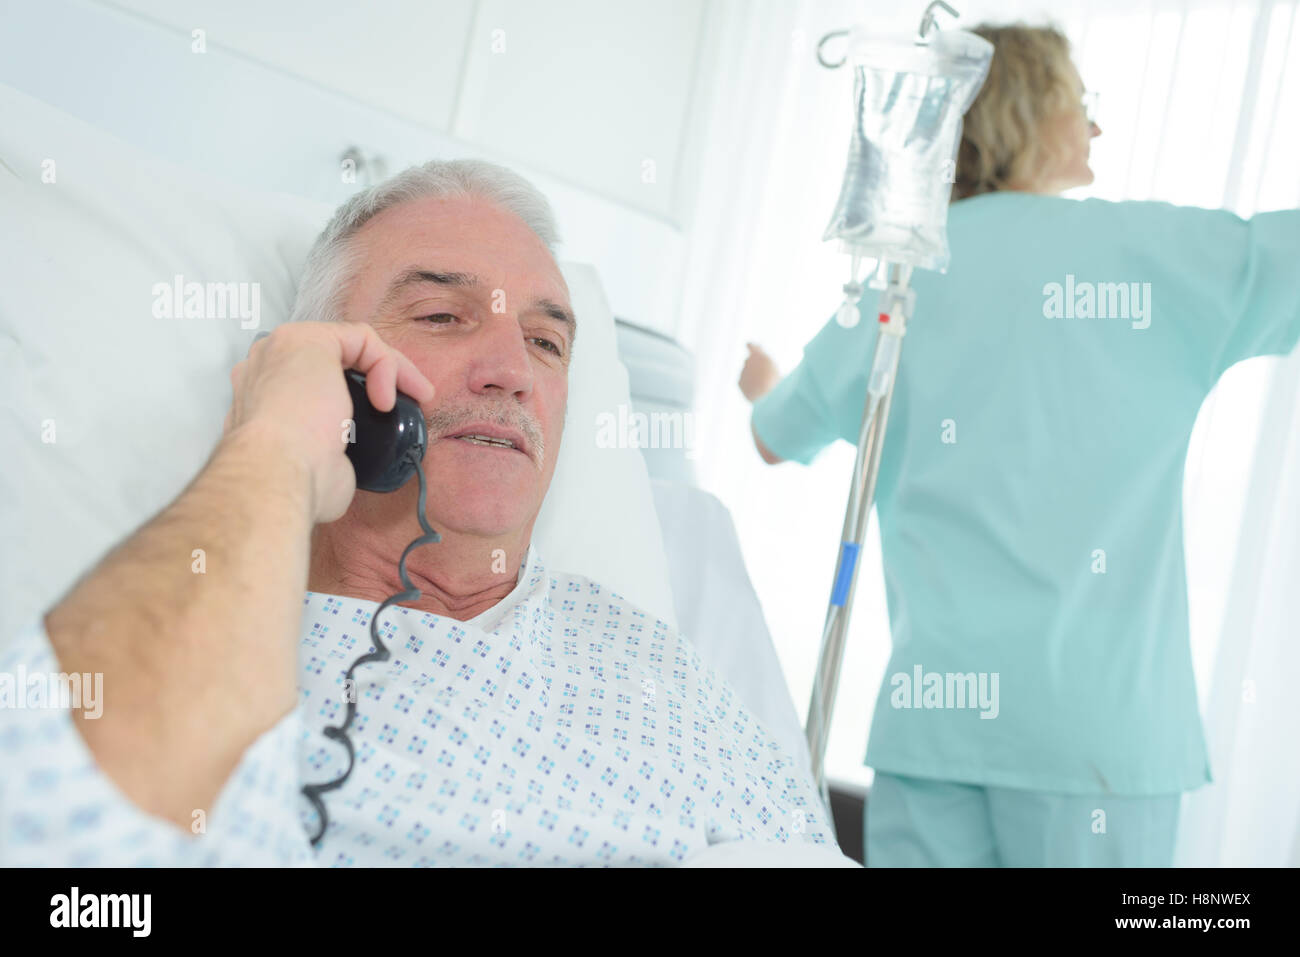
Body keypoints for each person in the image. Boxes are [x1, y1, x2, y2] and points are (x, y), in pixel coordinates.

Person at [1, 159, 852, 867]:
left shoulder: (654, 671)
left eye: (547, 341)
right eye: (443, 315)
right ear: (330, 365)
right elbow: (65, 825)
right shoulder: (218, 608)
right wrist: (274, 447)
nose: (512, 369)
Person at [740, 23, 1300, 866]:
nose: (1098, 129)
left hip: (934, 734)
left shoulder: (904, 274)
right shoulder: (1157, 256)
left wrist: (765, 382)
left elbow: (776, 436)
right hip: (1097, 743)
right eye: (1082, 104)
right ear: (1027, 112)